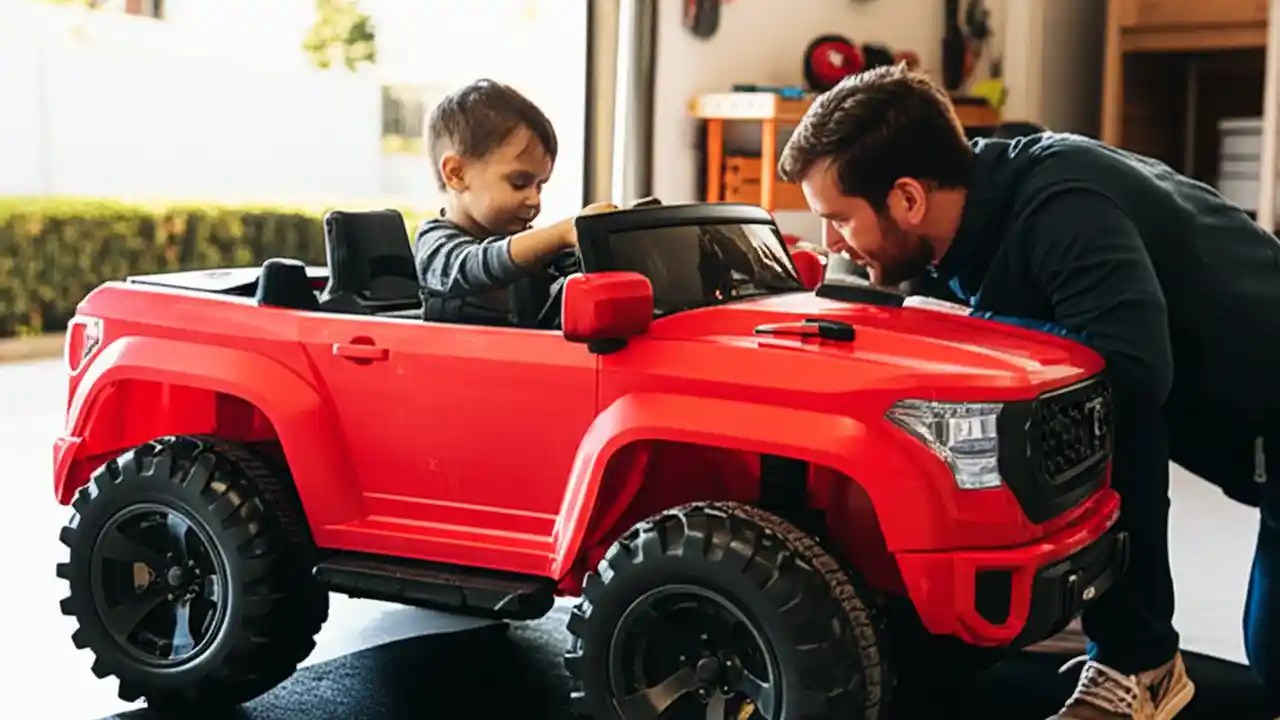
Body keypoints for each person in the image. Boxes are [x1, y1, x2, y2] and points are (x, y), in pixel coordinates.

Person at [778, 63, 1280, 720]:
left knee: (1103, 393)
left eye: (838, 218)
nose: (832, 241)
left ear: (907, 199)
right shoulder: (960, 224)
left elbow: (1134, 368)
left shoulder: (1063, 210)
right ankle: (1113, 638)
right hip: (1242, 431)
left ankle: (1140, 660)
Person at [415, 78, 616, 324]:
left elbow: (573, 265)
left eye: (540, 186)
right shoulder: (435, 245)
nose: (534, 200)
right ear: (456, 174)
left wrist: (599, 238)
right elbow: (476, 265)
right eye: (519, 183)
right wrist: (562, 232)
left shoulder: (528, 246)